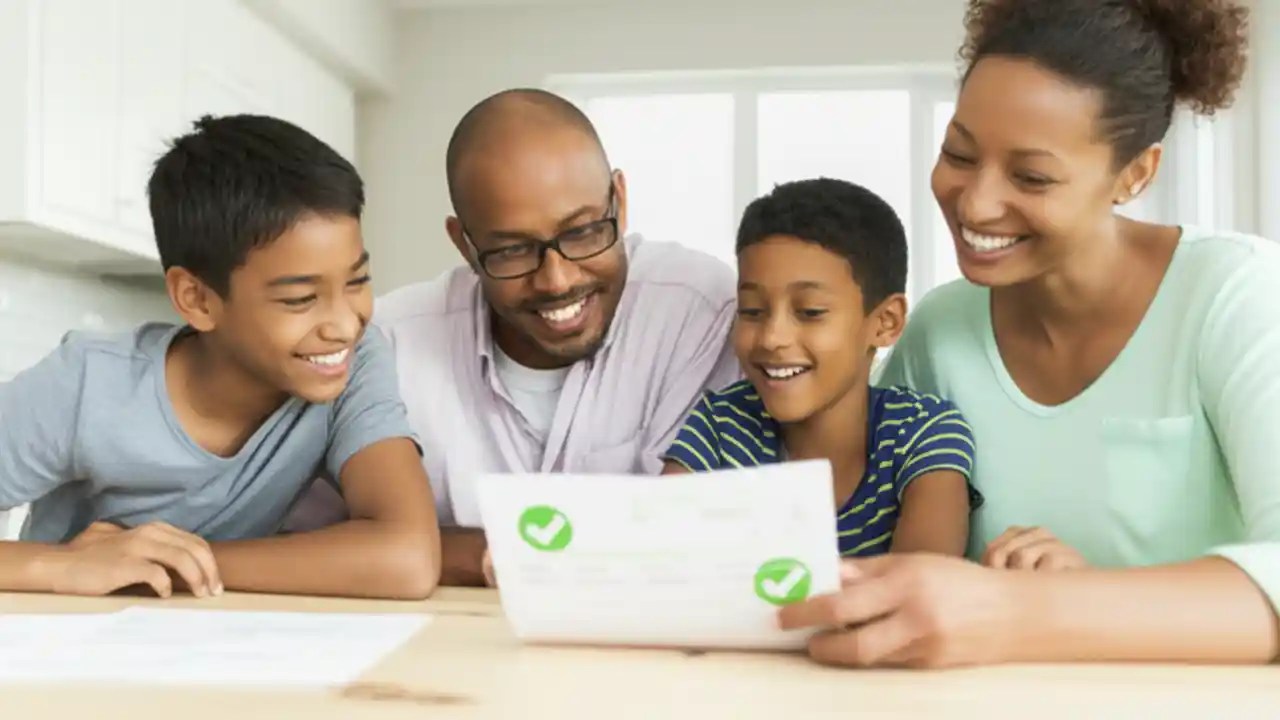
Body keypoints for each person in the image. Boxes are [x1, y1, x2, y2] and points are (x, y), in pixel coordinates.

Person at [777, 0, 1280, 667]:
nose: (976, 202)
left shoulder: (1235, 296)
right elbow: (884, 551)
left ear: (1135, 173)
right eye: (958, 153)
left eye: (1032, 177)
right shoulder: (940, 333)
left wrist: (1034, 607)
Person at [290, 89, 739, 587]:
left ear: (621, 201)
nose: (557, 280)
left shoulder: (701, 312)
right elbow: (314, 540)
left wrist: (470, 550)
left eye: (583, 232)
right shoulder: (389, 346)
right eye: (512, 251)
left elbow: (696, 534)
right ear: (464, 244)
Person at [0, 115, 441, 600]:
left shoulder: (353, 362)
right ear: (197, 299)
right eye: (299, 299)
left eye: (357, 281)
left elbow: (407, 558)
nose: (343, 324)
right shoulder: (88, 383)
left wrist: (168, 564)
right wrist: (65, 565)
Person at [662, 178, 978, 559]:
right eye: (752, 311)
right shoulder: (719, 427)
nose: (772, 338)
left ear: (886, 322)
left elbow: (922, 581)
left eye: (810, 312)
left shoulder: (923, 434)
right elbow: (658, 561)